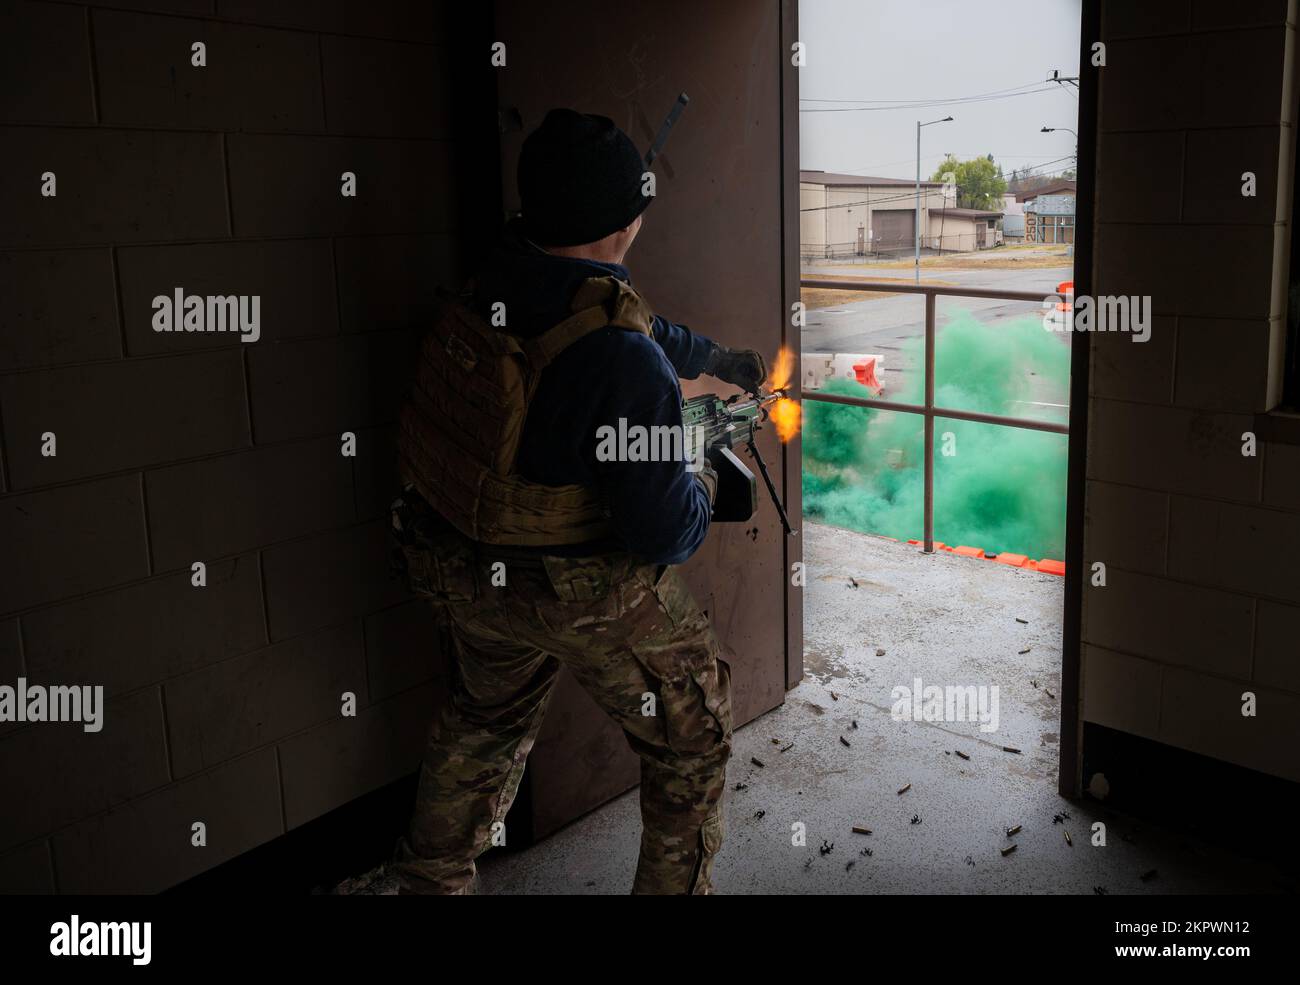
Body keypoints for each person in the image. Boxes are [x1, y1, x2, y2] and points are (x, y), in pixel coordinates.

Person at [389, 108, 766, 895]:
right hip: (579, 589)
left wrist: (713, 358)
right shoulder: (626, 363)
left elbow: (622, 319)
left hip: (467, 569)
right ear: (628, 224)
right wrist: (696, 465)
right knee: (691, 737)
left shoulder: (491, 278)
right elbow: (663, 532)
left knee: (483, 725)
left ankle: (429, 881)